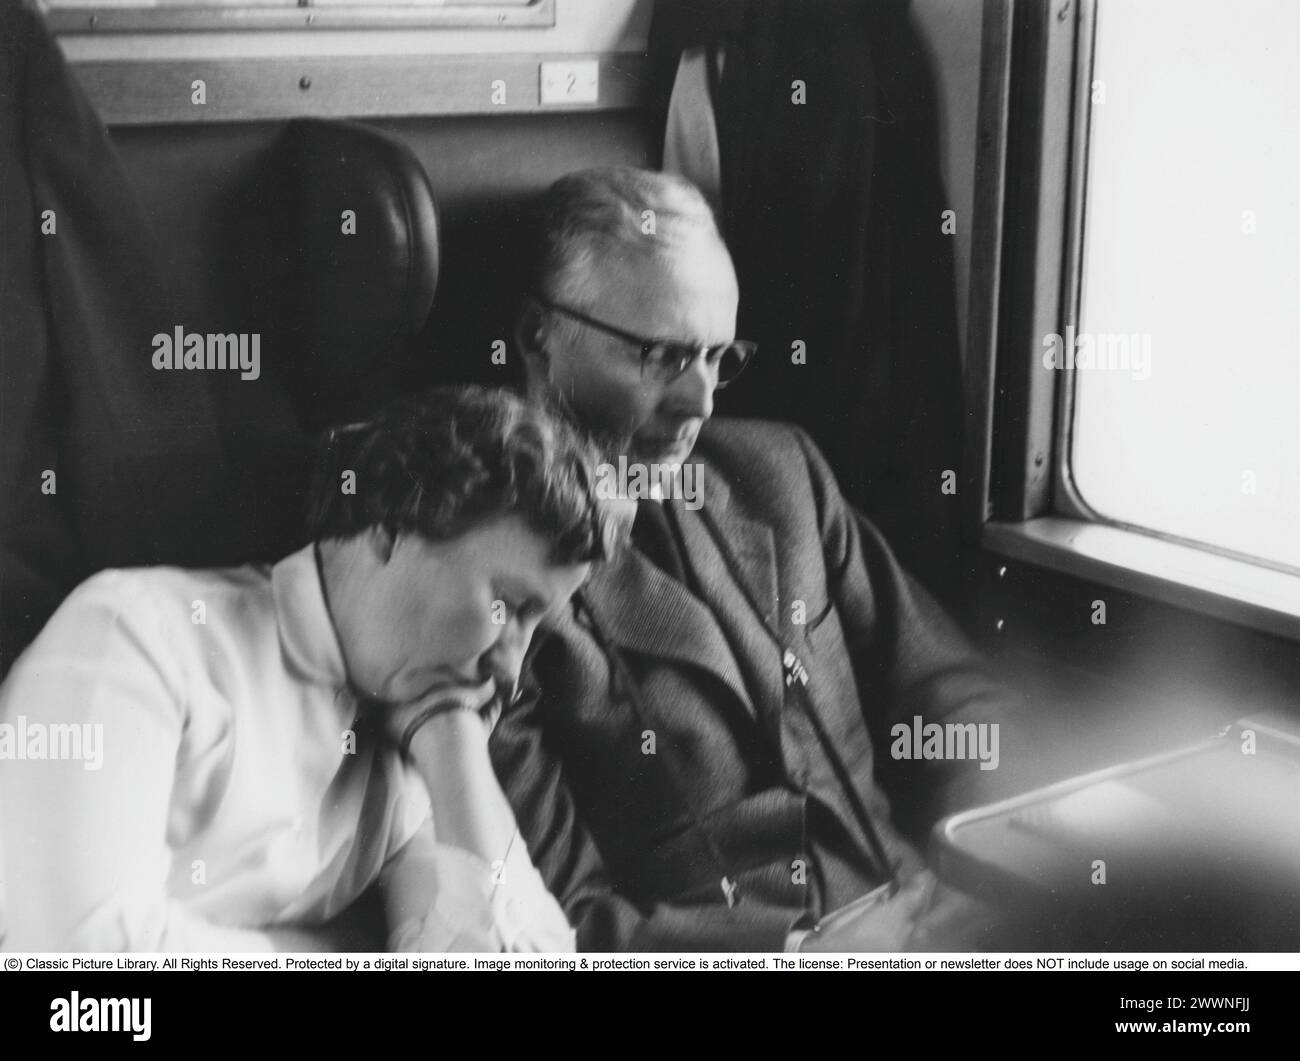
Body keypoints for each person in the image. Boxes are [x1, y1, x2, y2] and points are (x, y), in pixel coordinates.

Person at [491, 167, 1042, 952]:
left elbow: (958, 704)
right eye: (659, 356)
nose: (702, 401)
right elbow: (559, 918)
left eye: (720, 356)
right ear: (537, 335)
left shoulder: (779, 474)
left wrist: (982, 864)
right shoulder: (490, 578)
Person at [0, 385, 624, 952]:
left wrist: (453, 747)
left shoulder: (417, 751)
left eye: (535, 629)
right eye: (508, 607)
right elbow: (77, 962)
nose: (512, 666)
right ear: (392, 529)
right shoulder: (139, 636)